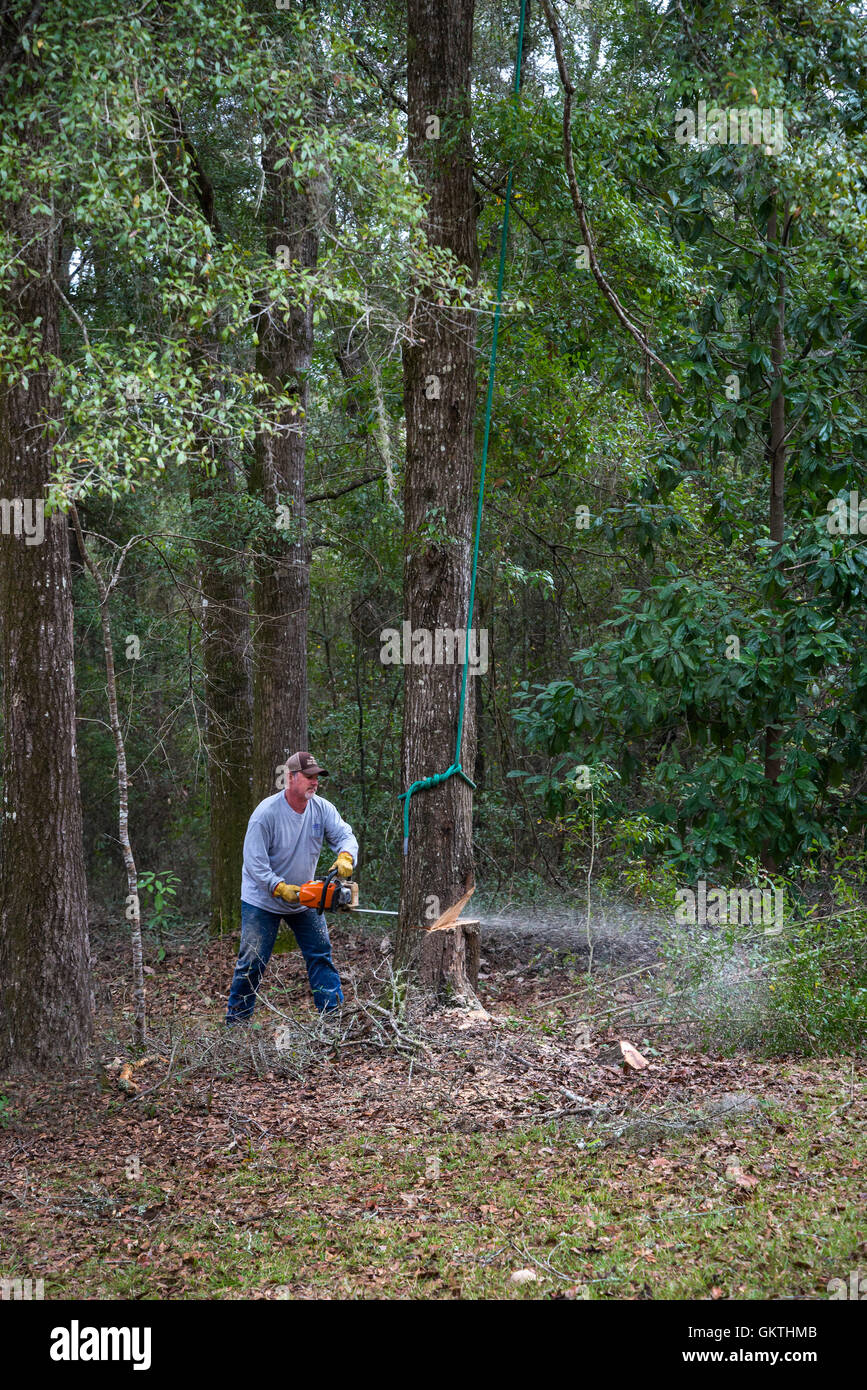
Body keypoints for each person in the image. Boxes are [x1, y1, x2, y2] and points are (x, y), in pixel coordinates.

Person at [225, 750, 358, 1023]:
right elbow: (254, 864)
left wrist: (346, 855)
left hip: (305, 897)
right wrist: (279, 887)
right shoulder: (266, 815)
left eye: (317, 777)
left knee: (321, 954)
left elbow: (345, 835)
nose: (314, 782)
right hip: (262, 899)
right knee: (252, 962)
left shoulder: (323, 809)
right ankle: (235, 1027)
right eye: (309, 777)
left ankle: (333, 1022)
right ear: (290, 778)